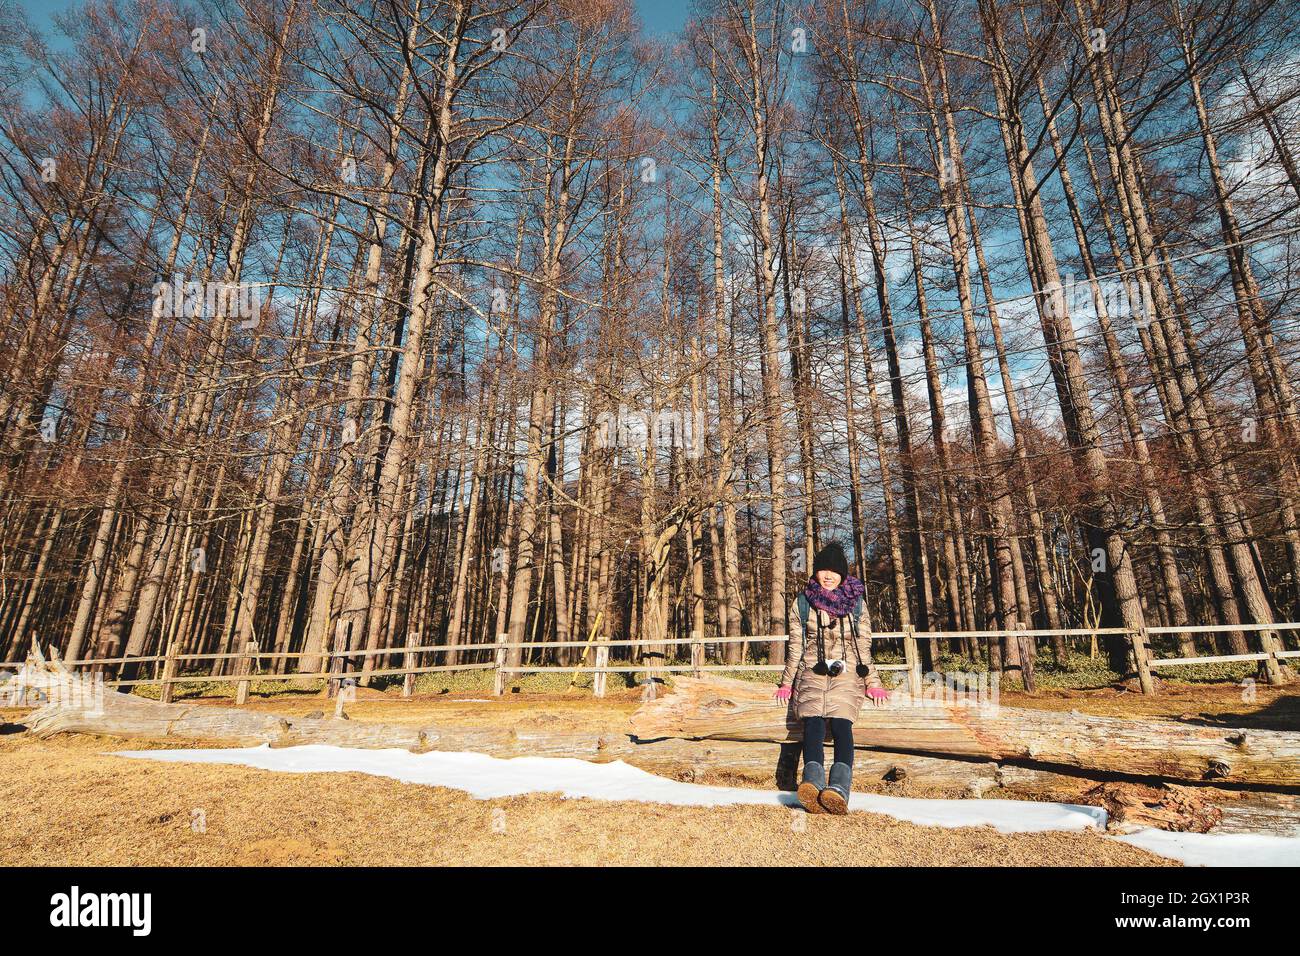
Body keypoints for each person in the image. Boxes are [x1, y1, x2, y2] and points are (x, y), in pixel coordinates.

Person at [774, 542, 889, 814]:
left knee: (841, 724)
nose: (828, 576)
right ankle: (812, 784)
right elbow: (795, 647)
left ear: (843, 575)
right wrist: (787, 683)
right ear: (815, 572)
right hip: (812, 671)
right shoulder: (802, 602)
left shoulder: (857, 603)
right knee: (812, 722)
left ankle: (839, 788)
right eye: (823, 570)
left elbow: (864, 647)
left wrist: (873, 682)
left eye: (834, 571)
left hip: (847, 673)